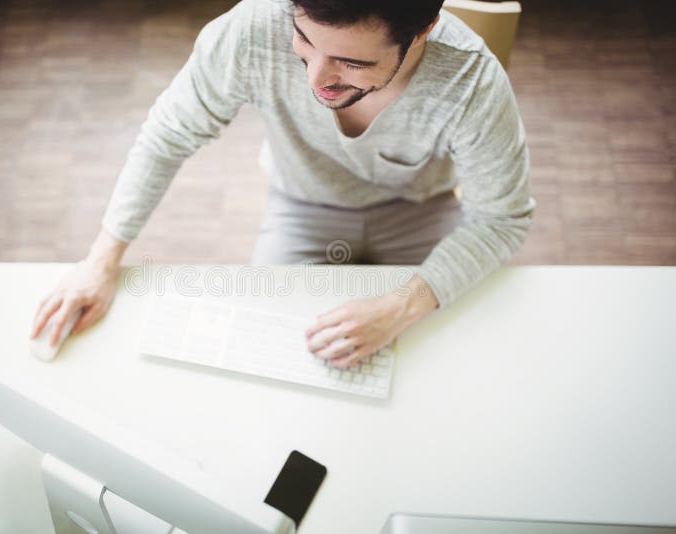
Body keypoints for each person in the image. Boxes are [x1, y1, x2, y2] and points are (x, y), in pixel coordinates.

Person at [30, 0, 535, 369]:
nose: (318, 78)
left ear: (424, 28)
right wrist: (101, 259)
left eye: (353, 62)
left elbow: (501, 218)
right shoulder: (253, 28)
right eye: (305, 41)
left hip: (420, 210)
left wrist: (403, 305)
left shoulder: (472, 82)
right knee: (275, 358)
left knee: (445, 364)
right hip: (303, 205)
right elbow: (168, 134)